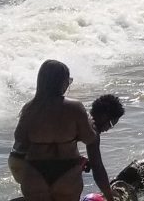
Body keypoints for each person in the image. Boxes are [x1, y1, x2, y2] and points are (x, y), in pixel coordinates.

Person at [9, 59, 114, 200]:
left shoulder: (30, 108)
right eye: (68, 80)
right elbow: (90, 138)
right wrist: (89, 123)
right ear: (61, 82)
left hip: (35, 171)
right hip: (67, 171)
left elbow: (20, 139)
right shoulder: (75, 107)